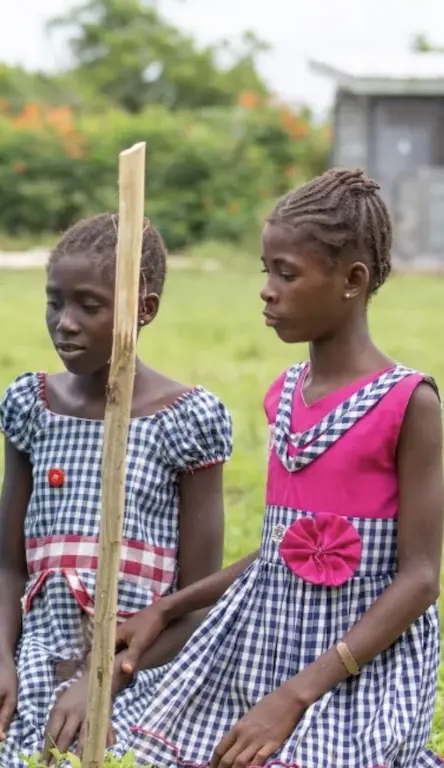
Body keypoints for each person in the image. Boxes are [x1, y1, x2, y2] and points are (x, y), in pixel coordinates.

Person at [117, 168, 444, 768]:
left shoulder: (409, 404)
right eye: (265, 271)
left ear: (352, 280)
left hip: (356, 671)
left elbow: (421, 579)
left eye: (286, 274)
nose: (267, 290)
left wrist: (295, 696)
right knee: (152, 743)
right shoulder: (285, 393)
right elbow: (281, 550)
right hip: (266, 647)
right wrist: (170, 605)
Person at [0, 213, 234, 767]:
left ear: (143, 310)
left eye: (90, 305)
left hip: (141, 676)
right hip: (34, 667)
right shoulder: (34, 408)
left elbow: (198, 606)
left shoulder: (186, 420)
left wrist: (101, 682)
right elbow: (9, 570)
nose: (66, 323)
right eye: (54, 302)